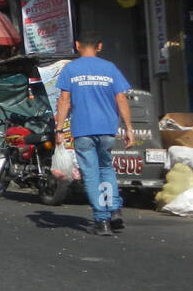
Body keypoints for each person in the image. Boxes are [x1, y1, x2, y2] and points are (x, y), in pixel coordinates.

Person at [55, 31, 136, 237]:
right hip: (108, 129)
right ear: (99, 47)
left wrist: (59, 129)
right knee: (106, 168)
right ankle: (114, 209)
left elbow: (64, 100)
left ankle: (102, 220)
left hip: (83, 130)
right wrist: (128, 128)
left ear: (77, 45)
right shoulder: (110, 68)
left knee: (91, 174)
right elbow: (121, 99)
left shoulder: (70, 69)